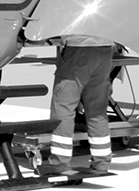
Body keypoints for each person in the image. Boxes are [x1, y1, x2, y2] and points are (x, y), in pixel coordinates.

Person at [42, 34, 118, 173]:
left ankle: (59, 164)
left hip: (77, 47)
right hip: (105, 48)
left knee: (64, 107)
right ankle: (102, 163)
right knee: (97, 110)